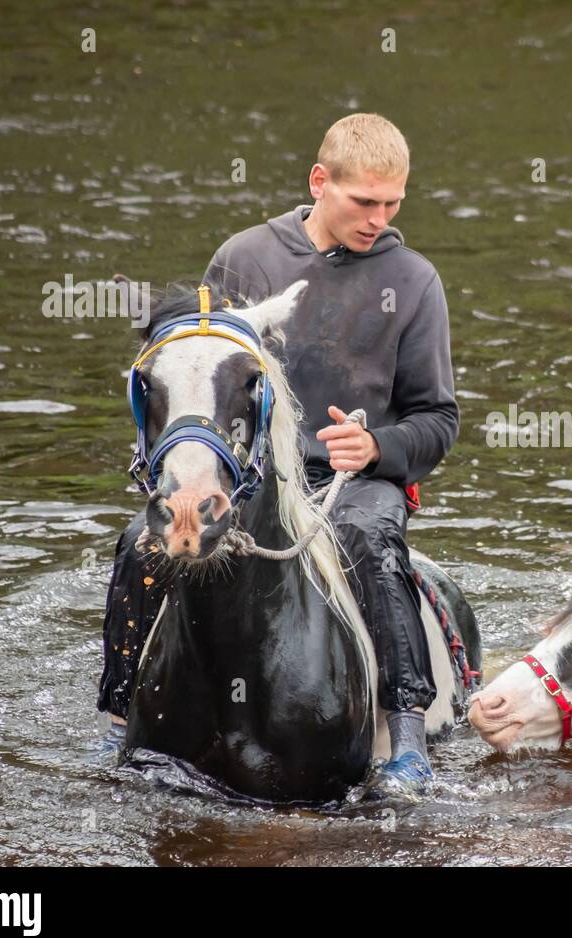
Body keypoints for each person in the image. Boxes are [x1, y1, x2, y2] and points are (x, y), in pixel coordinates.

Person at [97, 113, 458, 790]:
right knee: (136, 546)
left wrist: (378, 444)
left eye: (392, 204)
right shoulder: (244, 258)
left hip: (353, 478)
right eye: (363, 202)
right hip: (251, 471)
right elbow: (196, 367)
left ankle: (406, 735)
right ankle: (119, 717)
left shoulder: (414, 284)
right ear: (320, 182)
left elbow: (438, 418)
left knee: (372, 542)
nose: (378, 219)